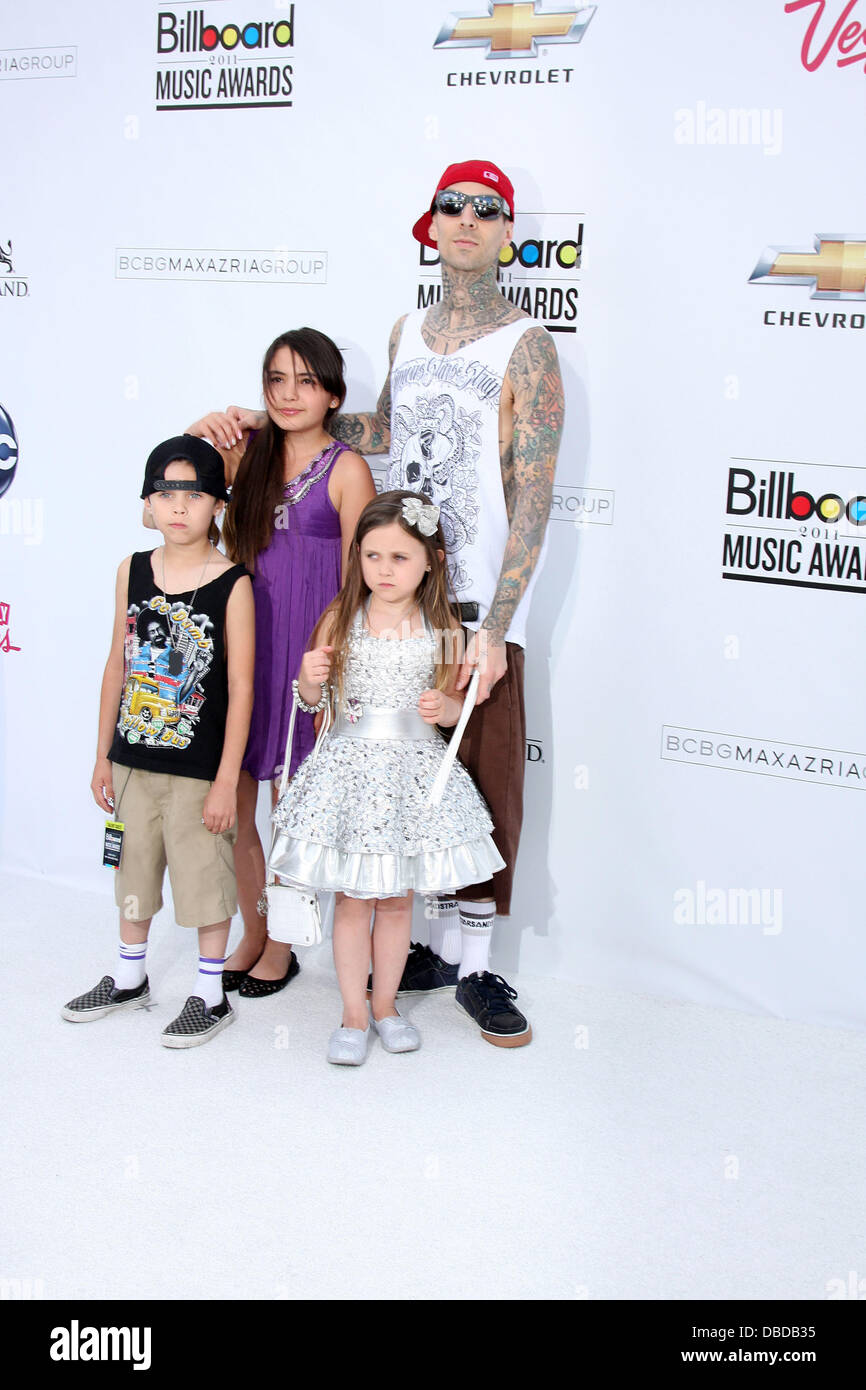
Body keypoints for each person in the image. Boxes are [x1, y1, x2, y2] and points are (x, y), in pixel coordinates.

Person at [199, 161, 565, 1046]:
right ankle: (415, 964)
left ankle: (478, 969)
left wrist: (496, 629)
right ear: (429, 226)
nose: (468, 221)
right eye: (453, 207)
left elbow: (533, 491)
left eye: (488, 210)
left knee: (477, 786)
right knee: (401, 788)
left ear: (507, 231)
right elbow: (389, 434)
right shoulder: (408, 330)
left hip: (471, 604)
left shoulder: (528, 343)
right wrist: (272, 418)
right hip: (400, 589)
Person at [268, 490, 505, 1065]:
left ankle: (386, 1005)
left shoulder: (445, 627)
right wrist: (306, 678)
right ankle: (352, 1012)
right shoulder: (340, 617)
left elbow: (457, 709)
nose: (384, 570)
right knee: (353, 899)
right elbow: (312, 703)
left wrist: (444, 711)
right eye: (372, 556)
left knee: (397, 901)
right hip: (350, 772)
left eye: (399, 557)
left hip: (412, 777)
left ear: (431, 561)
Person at [186, 328, 375, 998]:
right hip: (243, 648)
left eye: (306, 381)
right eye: (276, 380)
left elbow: (361, 577)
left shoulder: (348, 468)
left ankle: (284, 947)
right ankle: (254, 931)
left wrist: (320, 655)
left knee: (289, 805)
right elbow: (179, 498)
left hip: (306, 658)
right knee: (234, 805)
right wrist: (197, 430)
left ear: (331, 392)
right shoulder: (250, 456)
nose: (290, 394)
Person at [62, 435, 255, 1047]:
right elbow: (116, 665)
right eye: (165, 493)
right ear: (148, 503)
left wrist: (227, 778)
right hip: (131, 761)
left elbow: (242, 688)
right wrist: (101, 755)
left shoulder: (233, 583)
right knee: (134, 870)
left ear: (216, 505)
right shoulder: (133, 569)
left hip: (199, 770)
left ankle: (209, 994)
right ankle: (129, 978)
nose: (178, 506)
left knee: (204, 880)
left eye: (193, 493)